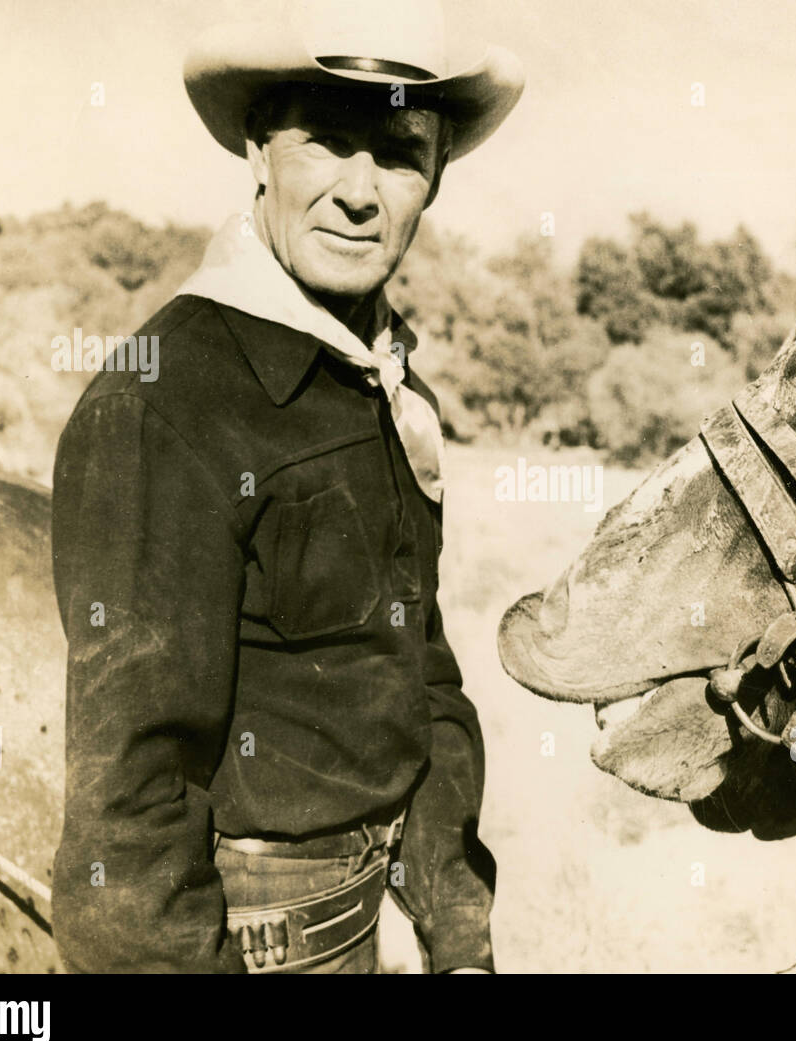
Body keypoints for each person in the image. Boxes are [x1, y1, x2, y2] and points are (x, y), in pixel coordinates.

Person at [49, 0, 524, 973]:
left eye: (397, 151)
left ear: (433, 176)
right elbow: (129, 806)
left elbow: (419, 676)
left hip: (378, 924)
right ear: (261, 149)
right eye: (328, 142)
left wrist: (458, 932)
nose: (361, 192)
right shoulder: (163, 397)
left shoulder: (386, 382)